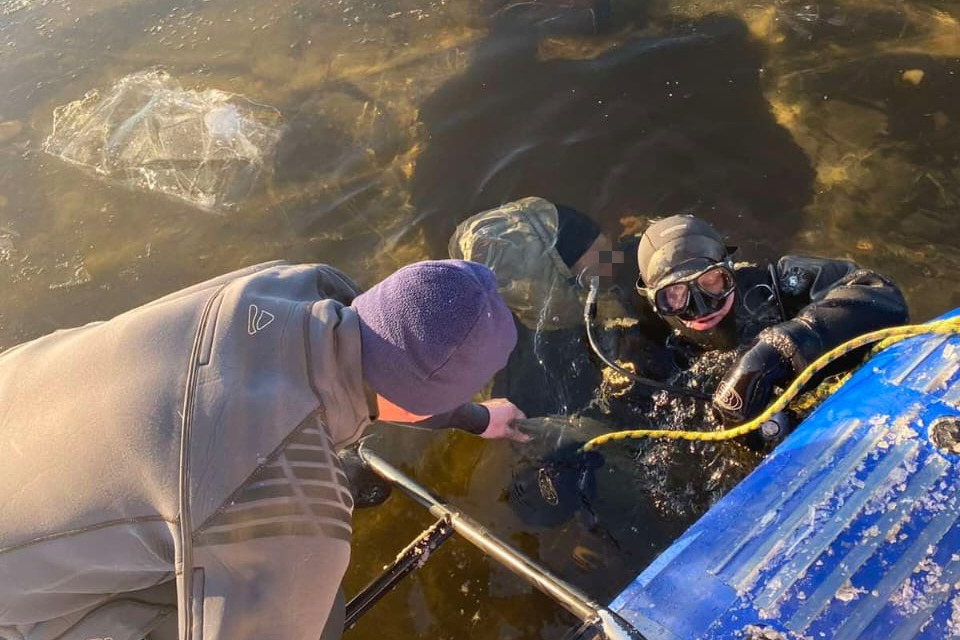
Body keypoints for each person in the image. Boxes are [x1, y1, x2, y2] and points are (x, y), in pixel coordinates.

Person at [0, 259, 527, 640]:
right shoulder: (290, 507)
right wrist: (299, 537)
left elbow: (388, 358)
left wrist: (473, 417)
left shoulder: (290, 285)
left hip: (22, 409)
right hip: (15, 604)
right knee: (315, 612)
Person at [451, 198, 909, 431]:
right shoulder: (563, 357)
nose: (701, 308)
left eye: (713, 284)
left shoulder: (768, 287)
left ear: (729, 268)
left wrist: (777, 349)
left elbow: (878, 294)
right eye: (674, 298)